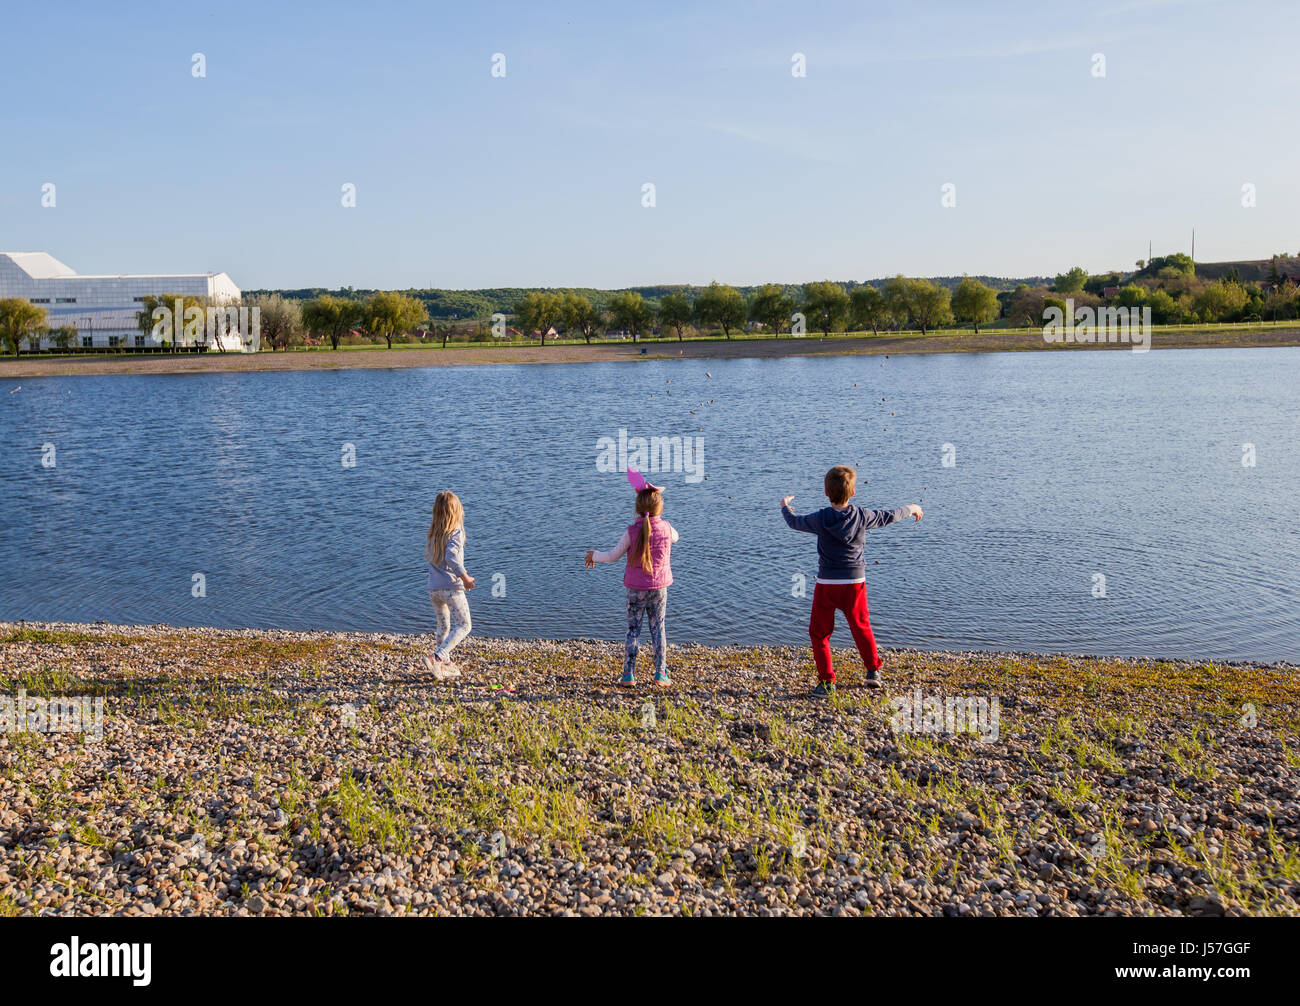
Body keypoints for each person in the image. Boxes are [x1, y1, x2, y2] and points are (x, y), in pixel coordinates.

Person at [781, 464, 922, 699]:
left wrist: (785, 507)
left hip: (827, 584)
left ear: (826, 492)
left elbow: (794, 522)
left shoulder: (820, 518)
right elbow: (890, 516)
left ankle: (827, 683)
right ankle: (873, 672)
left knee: (819, 633)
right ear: (853, 493)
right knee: (861, 626)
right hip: (855, 582)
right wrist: (912, 508)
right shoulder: (862, 515)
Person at [585, 484, 678, 687]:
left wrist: (594, 556)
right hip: (659, 589)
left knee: (633, 629)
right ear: (660, 508)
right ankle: (660, 673)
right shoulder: (667, 529)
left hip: (635, 589)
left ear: (637, 508)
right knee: (658, 628)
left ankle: (628, 674)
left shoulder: (631, 532)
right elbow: (676, 537)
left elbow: (612, 556)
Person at [424, 490, 475, 679]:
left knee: (443, 626)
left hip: (434, 588)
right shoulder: (456, 531)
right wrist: (465, 578)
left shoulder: (434, 533)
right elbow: (452, 558)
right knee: (464, 625)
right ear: (457, 512)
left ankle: (443, 665)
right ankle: (438, 656)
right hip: (451, 588)